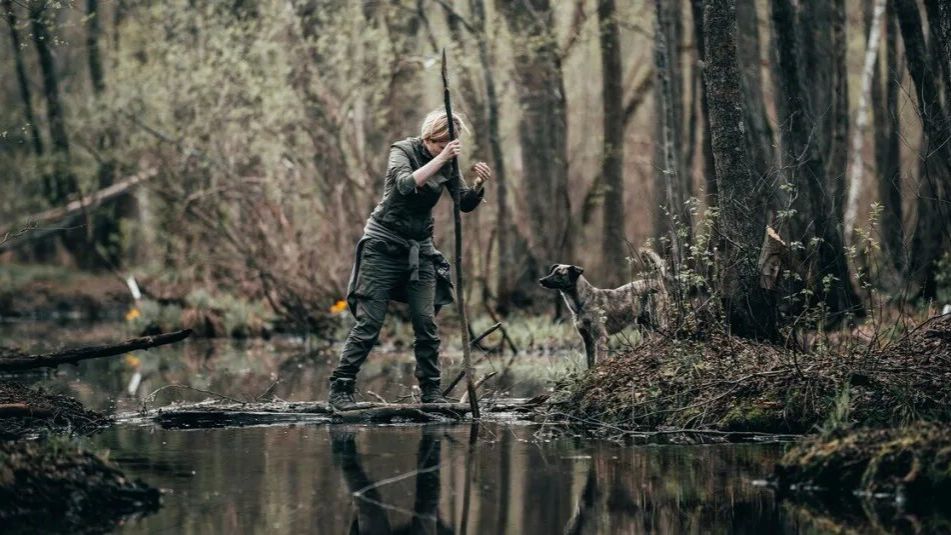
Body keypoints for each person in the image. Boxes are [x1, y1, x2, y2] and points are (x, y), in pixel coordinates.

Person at [327, 109, 492, 409]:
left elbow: (464, 204)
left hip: (421, 250)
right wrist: (441, 159)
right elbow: (405, 185)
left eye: (449, 146)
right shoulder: (402, 151)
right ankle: (341, 388)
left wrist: (478, 184)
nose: (446, 151)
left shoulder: (449, 163)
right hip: (382, 247)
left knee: (426, 323)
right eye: (441, 145)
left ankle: (431, 391)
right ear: (430, 138)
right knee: (369, 324)